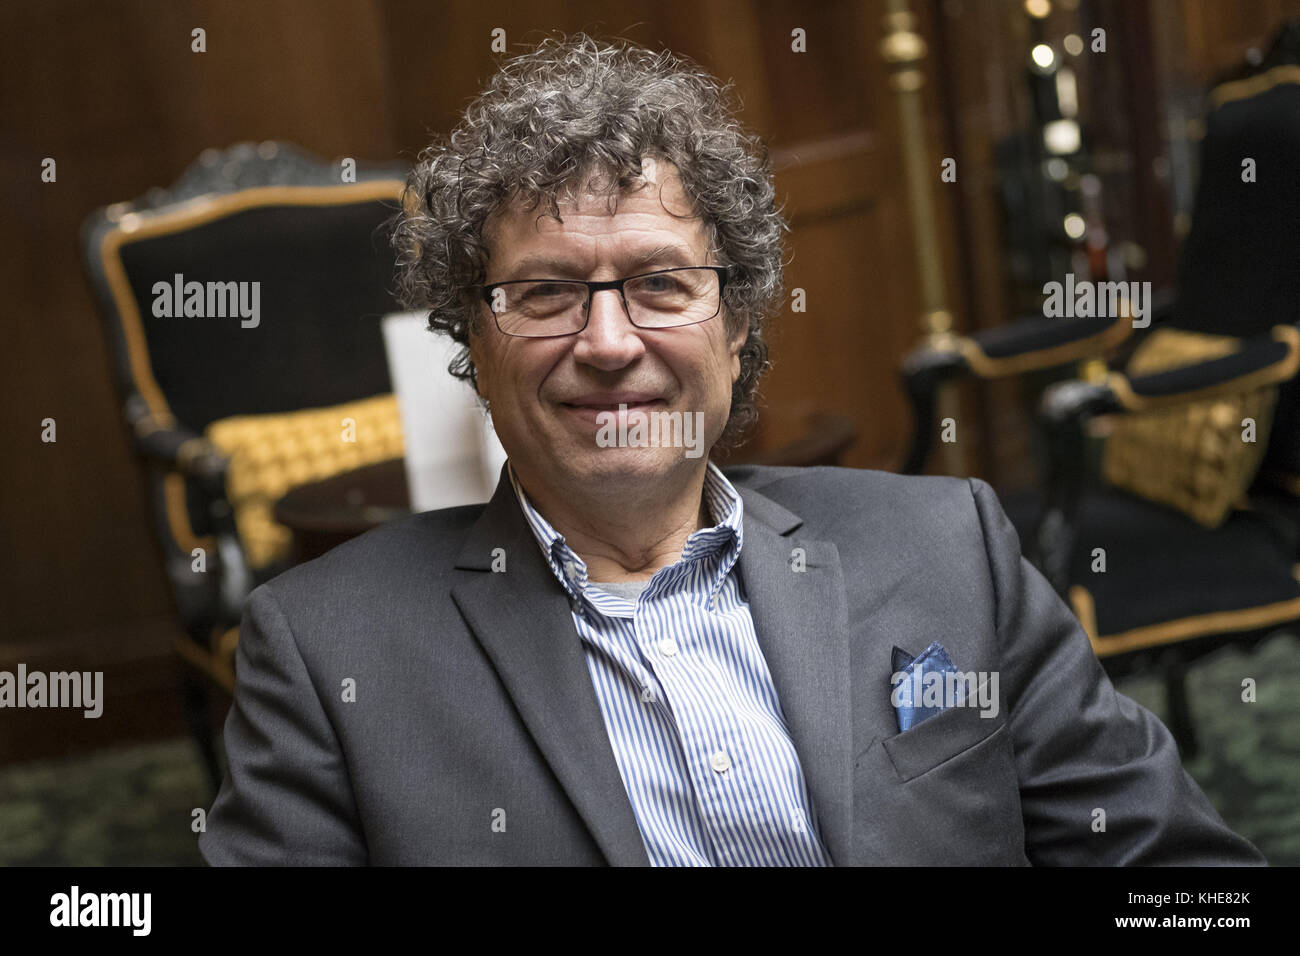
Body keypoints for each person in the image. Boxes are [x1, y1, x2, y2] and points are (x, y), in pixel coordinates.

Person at [200, 33, 1264, 866]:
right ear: (474, 342)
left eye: (660, 283)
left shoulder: (949, 548)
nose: (607, 343)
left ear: (739, 323)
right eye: (546, 292)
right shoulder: (325, 652)